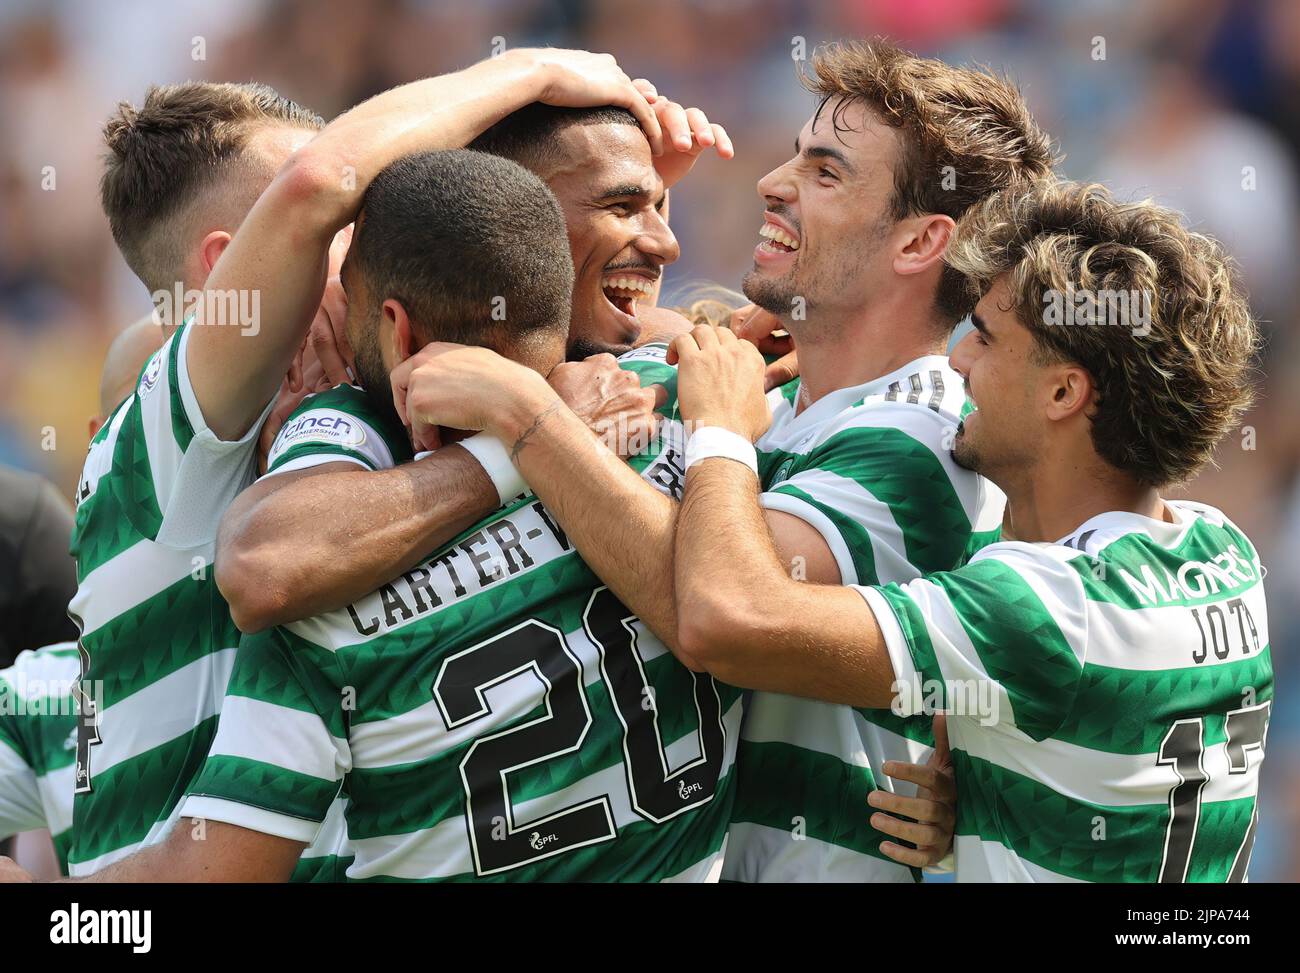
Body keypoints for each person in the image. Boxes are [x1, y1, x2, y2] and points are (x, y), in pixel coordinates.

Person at [382, 39, 1055, 881]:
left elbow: (719, 611)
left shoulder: (920, 439)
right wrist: (629, 203)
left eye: (825, 173)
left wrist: (530, 418)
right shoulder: (773, 397)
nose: (774, 183)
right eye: (791, 158)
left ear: (920, 242)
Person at [51, 147, 747, 882]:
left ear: (397, 330)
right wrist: (531, 425)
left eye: (342, 292)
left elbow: (213, 872)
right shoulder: (697, 436)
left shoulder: (319, 612)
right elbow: (730, 608)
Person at [666, 181, 1270, 883]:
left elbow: (730, 618)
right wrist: (978, 802)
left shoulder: (1044, 608)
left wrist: (719, 428)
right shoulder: (1225, 551)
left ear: (1062, 393)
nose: (957, 363)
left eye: (985, 337)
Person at [216, 95, 732, 632]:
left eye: (661, 204)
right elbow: (261, 568)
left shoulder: (691, 361)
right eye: (621, 206)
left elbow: (727, 619)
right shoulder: (356, 391)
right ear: (512, 211)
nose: (669, 244)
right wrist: (528, 433)